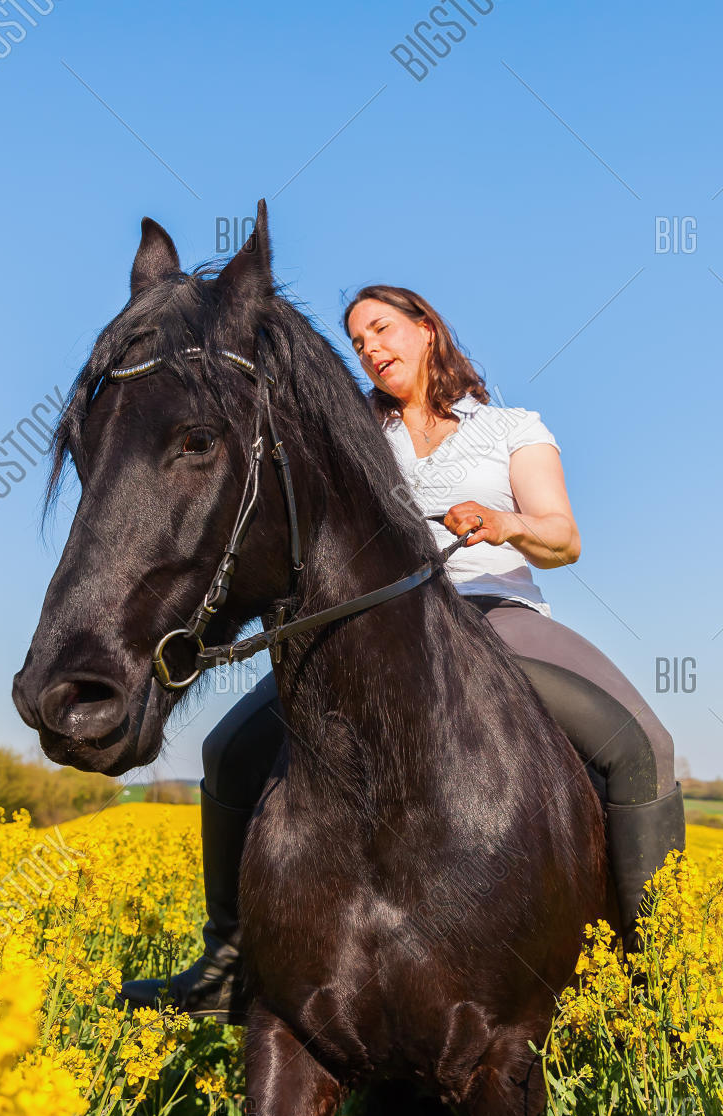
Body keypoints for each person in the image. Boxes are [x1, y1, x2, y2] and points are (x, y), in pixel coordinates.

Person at [121, 285, 684, 1021]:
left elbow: (563, 539)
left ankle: (660, 974)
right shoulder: (351, 429)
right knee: (229, 750)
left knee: (643, 746)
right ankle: (227, 960)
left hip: (493, 614)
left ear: (426, 330)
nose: (370, 348)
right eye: (357, 342)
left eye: (381, 329)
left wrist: (504, 521)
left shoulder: (512, 428)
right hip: (376, 628)